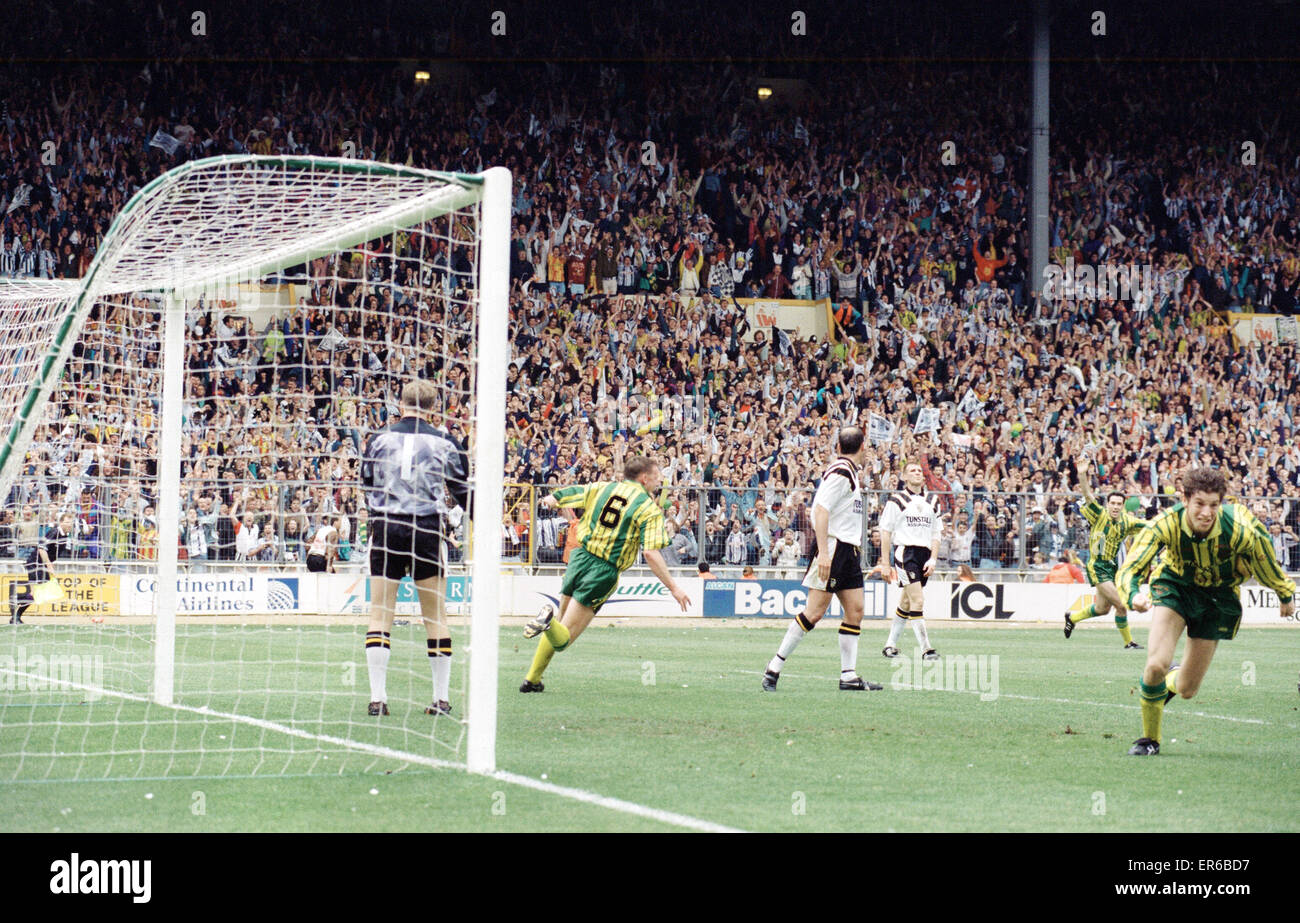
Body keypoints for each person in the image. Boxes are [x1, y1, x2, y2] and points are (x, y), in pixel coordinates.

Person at [1118, 467, 1294, 756]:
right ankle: (1149, 740)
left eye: (1214, 505)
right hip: (1175, 587)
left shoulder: (1240, 527)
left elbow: (1264, 561)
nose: (1206, 512)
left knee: (1187, 689)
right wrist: (1134, 594)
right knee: (1154, 666)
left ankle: (1174, 676)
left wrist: (1284, 593)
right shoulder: (1165, 524)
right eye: (1199, 503)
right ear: (1184, 499)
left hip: (1218, 597)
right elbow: (1131, 568)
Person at [520, 456, 691, 692]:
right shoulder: (648, 508)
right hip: (604, 569)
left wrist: (552, 498)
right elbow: (651, 553)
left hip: (579, 558)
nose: (659, 481)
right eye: (657, 476)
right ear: (644, 478)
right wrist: (674, 587)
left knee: (561, 623)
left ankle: (532, 679)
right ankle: (546, 622)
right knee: (564, 637)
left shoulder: (605, 487)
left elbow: (574, 491)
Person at [359, 379, 469, 718]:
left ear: (400, 404)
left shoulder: (378, 439)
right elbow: (462, 489)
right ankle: (441, 698)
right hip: (426, 529)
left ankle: (378, 699)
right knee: (435, 617)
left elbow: (366, 483)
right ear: (434, 406)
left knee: (380, 614)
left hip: (388, 527)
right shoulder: (446, 441)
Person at [761, 427, 882, 692]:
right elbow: (821, 509)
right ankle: (773, 668)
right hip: (835, 548)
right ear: (863, 447)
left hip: (848, 549)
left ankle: (848, 676)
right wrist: (825, 553)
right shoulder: (841, 472)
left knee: (856, 610)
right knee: (814, 612)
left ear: (838, 446)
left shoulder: (848, 471)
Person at [1063, 455, 1148, 649]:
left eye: (1119, 504)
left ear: (1123, 505)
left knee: (1102, 609)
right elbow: (1087, 495)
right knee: (1122, 604)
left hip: (1112, 568)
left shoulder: (1128, 521)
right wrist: (1082, 474)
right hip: (1097, 566)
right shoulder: (1099, 515)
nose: (1116, 507)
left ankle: (1072, 618)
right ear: (1108, 504)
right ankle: (1129, 643)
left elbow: (1150, 526)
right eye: (1113, 503)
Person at [879, 462, 943, 660]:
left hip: (924, 554)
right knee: (918, 600)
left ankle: (890, 645)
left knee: (907, 601)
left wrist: (933, 558)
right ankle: (926, 649)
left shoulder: (933, 500)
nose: (917, 473)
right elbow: (885, 531)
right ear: (904, 477)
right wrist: (885, 563)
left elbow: (936, 532)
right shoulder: (896, 500)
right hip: (906, 553)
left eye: (919, 470)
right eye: (912, 470)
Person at [9, 512, 76, 624]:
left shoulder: (65, 535)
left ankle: (16, 614)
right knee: (35, 593)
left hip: (42, 565)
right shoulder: (54, 532)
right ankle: (16, 602)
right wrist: (49, 564)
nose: (70, 525)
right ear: (61, 522)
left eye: (71, 523)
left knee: (37, 594)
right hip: (36, 563)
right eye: (67, 522)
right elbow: (41, 549)